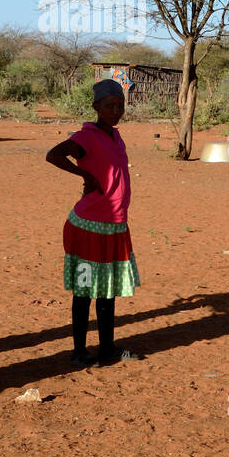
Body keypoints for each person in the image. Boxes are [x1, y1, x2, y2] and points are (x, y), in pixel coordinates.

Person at [46, 79, 140, 368]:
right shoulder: (86, 137)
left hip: (114, 225)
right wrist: (83, 176)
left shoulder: (116, 136)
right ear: (96, 107)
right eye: (109, 106)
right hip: (88, 227)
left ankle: (107, 348)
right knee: (85, 290)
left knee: (107, 292)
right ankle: (78, 351)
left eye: (120, 106)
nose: (116, 111)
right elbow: (54, 154)